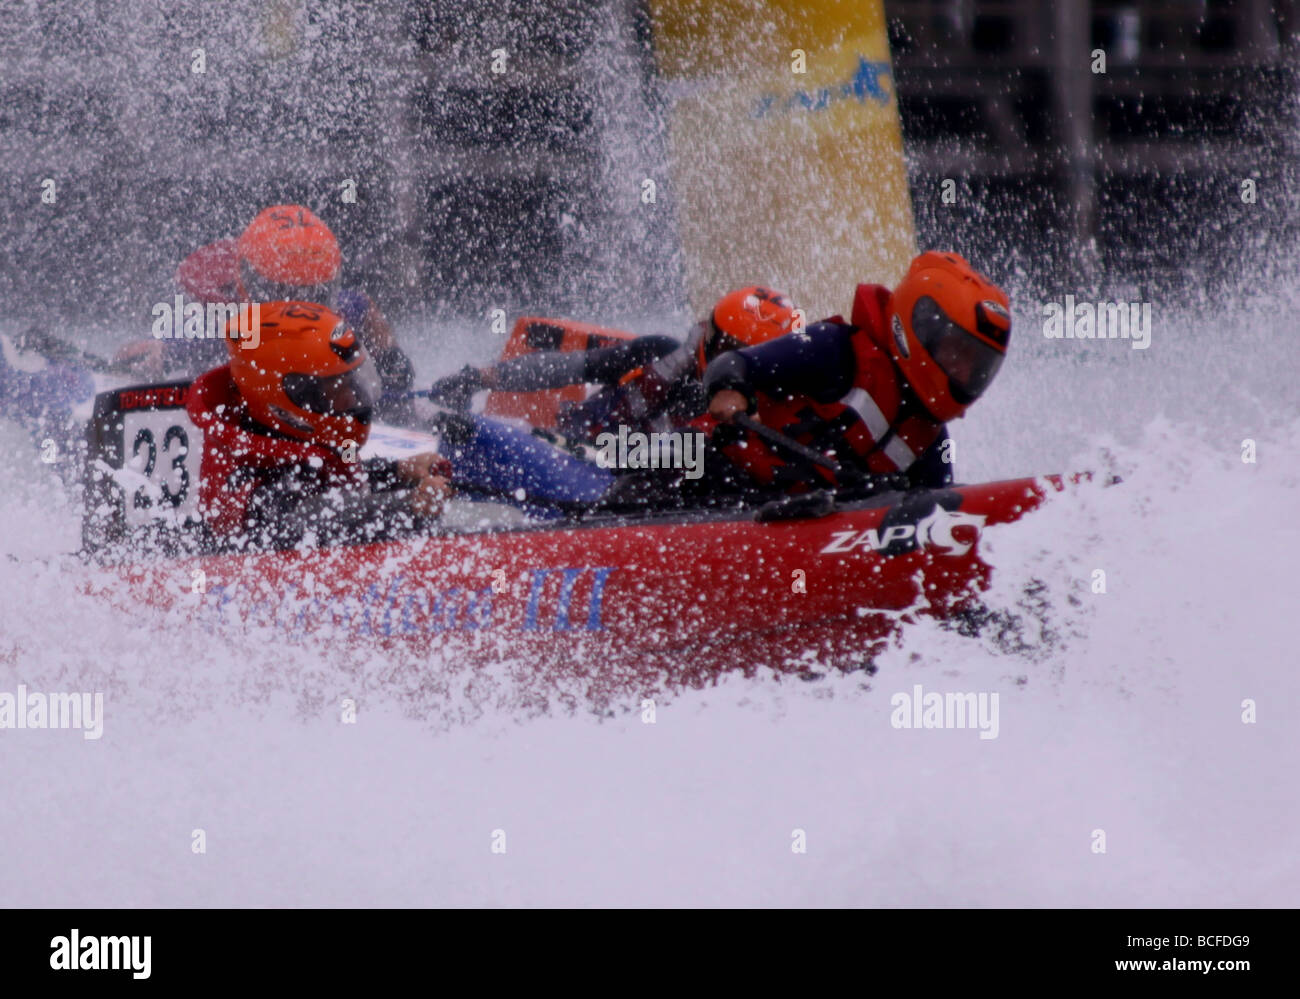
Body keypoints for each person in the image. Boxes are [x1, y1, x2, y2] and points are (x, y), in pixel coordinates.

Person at [697, 251, 1011, 496]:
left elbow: (932, 524)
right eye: (957, 353)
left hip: (802, 529)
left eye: (978, 364)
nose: (965, 371)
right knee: (681, 450)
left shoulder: (931, 444)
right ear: (919, 328)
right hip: (726, 478)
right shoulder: (834, 348)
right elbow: (730, 365)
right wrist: (729, 390)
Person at [186, 299, 452, 551]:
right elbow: (311, 517)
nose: (353, 397)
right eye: (336, 388)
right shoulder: (248, 472)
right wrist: (406, 505)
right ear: (291, 396)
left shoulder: (290, 441)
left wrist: (397, 470)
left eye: (353, 382)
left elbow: (331, 482)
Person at [113, 206, 415, 411]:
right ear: (248, 283)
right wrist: (154, 356)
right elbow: (149, 352)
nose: (297, 307)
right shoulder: (222, 328)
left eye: (313, 294)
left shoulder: (346, 310)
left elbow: (365, 308)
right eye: (281, 292)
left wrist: (394, 370)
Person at [427, 285, 799, 441]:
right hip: (575, 446)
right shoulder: (658, 351)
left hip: (645, 486)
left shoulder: (764, 414)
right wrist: (481, 377)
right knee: (459, 431)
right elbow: (568, 367)